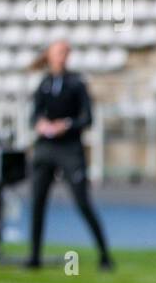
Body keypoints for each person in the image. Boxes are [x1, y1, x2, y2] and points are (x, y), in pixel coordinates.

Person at [25, 40, 113, 270]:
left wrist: (67, 124)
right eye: (57, 52)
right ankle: (34, 257)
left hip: (69, 149)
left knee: (82, 202)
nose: (61, 56)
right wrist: (41, 124)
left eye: (64, 52)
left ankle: (104, 255)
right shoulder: (44, 84)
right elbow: (33, 116)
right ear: (50, 55)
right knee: (37, 202)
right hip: (46, 148)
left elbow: (88, 118)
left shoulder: (76, 83)